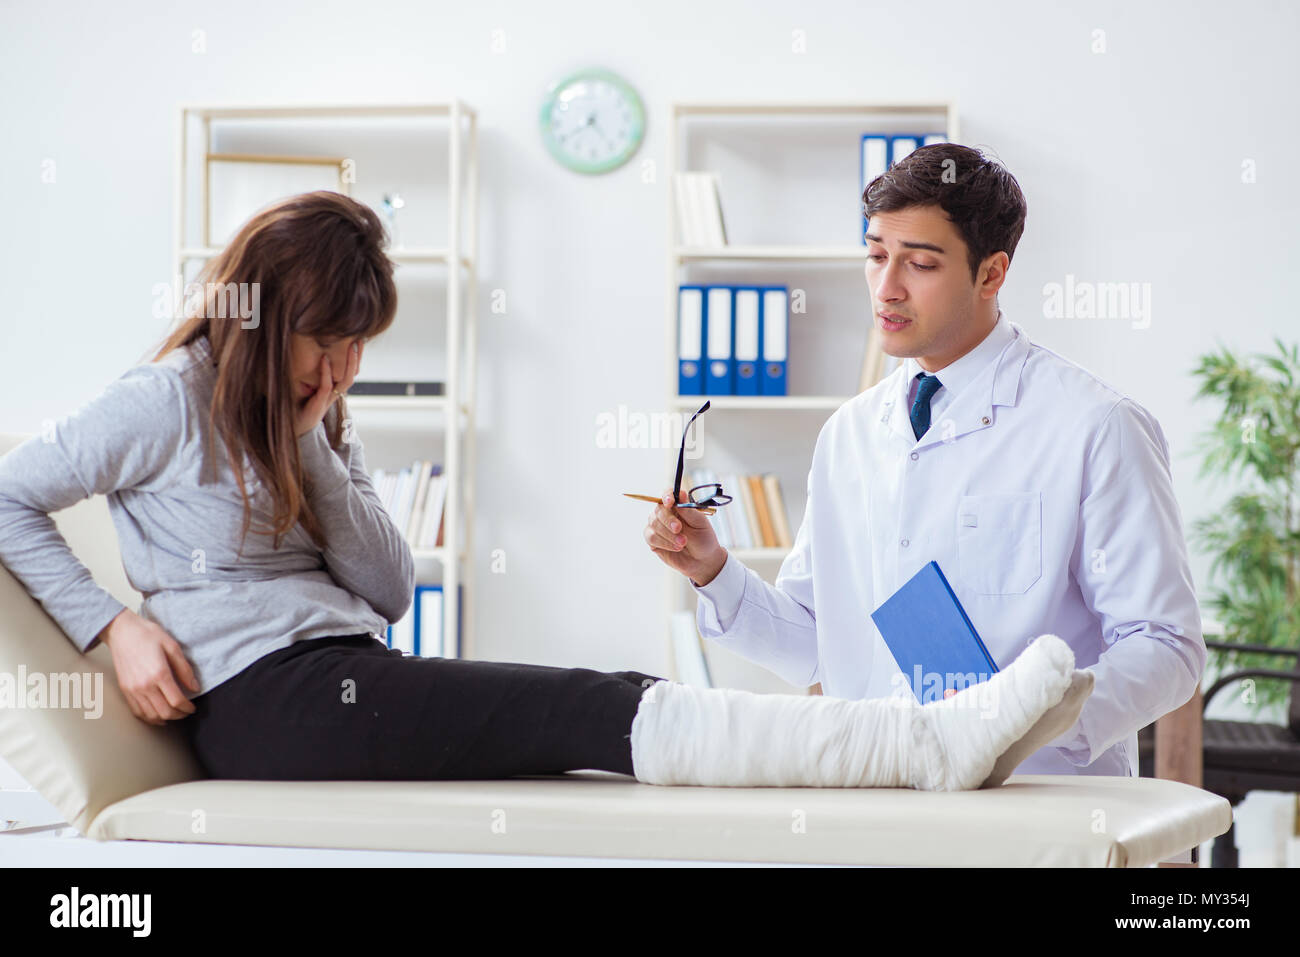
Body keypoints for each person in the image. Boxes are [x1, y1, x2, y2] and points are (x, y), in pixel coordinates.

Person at [0, 190, 1092, 793]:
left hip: (340, 669)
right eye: (322, 347)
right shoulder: (163, 402)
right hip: (258, 705)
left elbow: (384, 588)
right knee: (580, 707)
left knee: (598, 694)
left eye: (355, 354)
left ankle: (920, 741)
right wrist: (112, 628)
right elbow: (7, 497)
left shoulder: (321, 416)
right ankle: (922, 748)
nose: (338, 375)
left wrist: (314, 439)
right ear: (260, 315)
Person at [645, 143, 1205, 780]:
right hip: (876, 796)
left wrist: (1025, 728)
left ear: (991, 274)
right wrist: (713, 571)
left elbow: (1166, 645)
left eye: (920, 264)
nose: (887, 287)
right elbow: (815, 643)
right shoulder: (850, 435)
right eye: (877, 255)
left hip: (1039, 800)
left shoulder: (1097, 425)